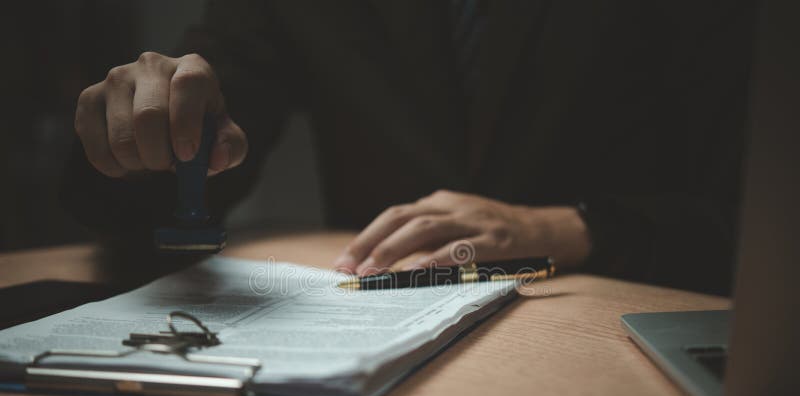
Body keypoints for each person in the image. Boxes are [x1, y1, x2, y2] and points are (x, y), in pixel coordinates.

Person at [68, 0, 754, 295]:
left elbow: (757, 218)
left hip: (613, 314)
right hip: (372, 322)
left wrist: (568, 228)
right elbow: (201, 147)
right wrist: (139, 134)